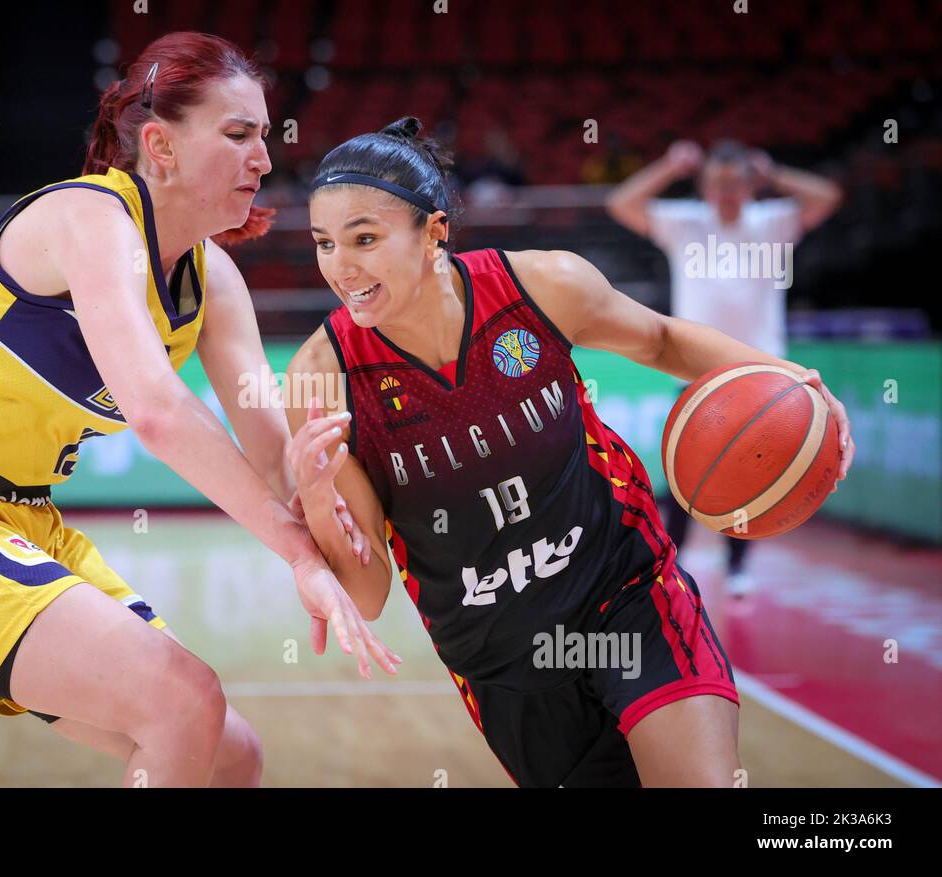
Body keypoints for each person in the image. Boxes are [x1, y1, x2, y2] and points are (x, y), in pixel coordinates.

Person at [0, 32, 397, 789]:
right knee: (183, 699)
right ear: (159, 146)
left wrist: (323, 501)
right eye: (238, 135)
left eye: (263, 135)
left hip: (23, 520)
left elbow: (272, 451)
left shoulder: (213, 281)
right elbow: (158, 411)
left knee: (232, 754)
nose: (264, 157)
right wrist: (295, 550)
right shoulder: (88, 219)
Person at [285, 117, 854, 787]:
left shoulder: (539, 288)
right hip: (504, 662)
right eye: (325, 243)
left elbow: (665, 340)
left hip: (624, 590)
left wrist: (790, 382)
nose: (341, 267)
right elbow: (370, 590)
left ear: (434, 231)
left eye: (365, 238)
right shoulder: (324, 377)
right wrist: (320, 500)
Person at [605, 139, 843, 594]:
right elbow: (620, 203)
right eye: (718, 181)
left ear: (750, 184)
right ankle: (670, 564)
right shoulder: (685, 223)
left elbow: (827, 197)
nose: (727, 191)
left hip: (763, 371)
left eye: (736, 182)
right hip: (693, 368)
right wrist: (668, 165)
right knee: (685, 472)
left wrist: (773, 172)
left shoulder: (774, 220)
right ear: (705, 184)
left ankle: (738, 566)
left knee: (757, 470)